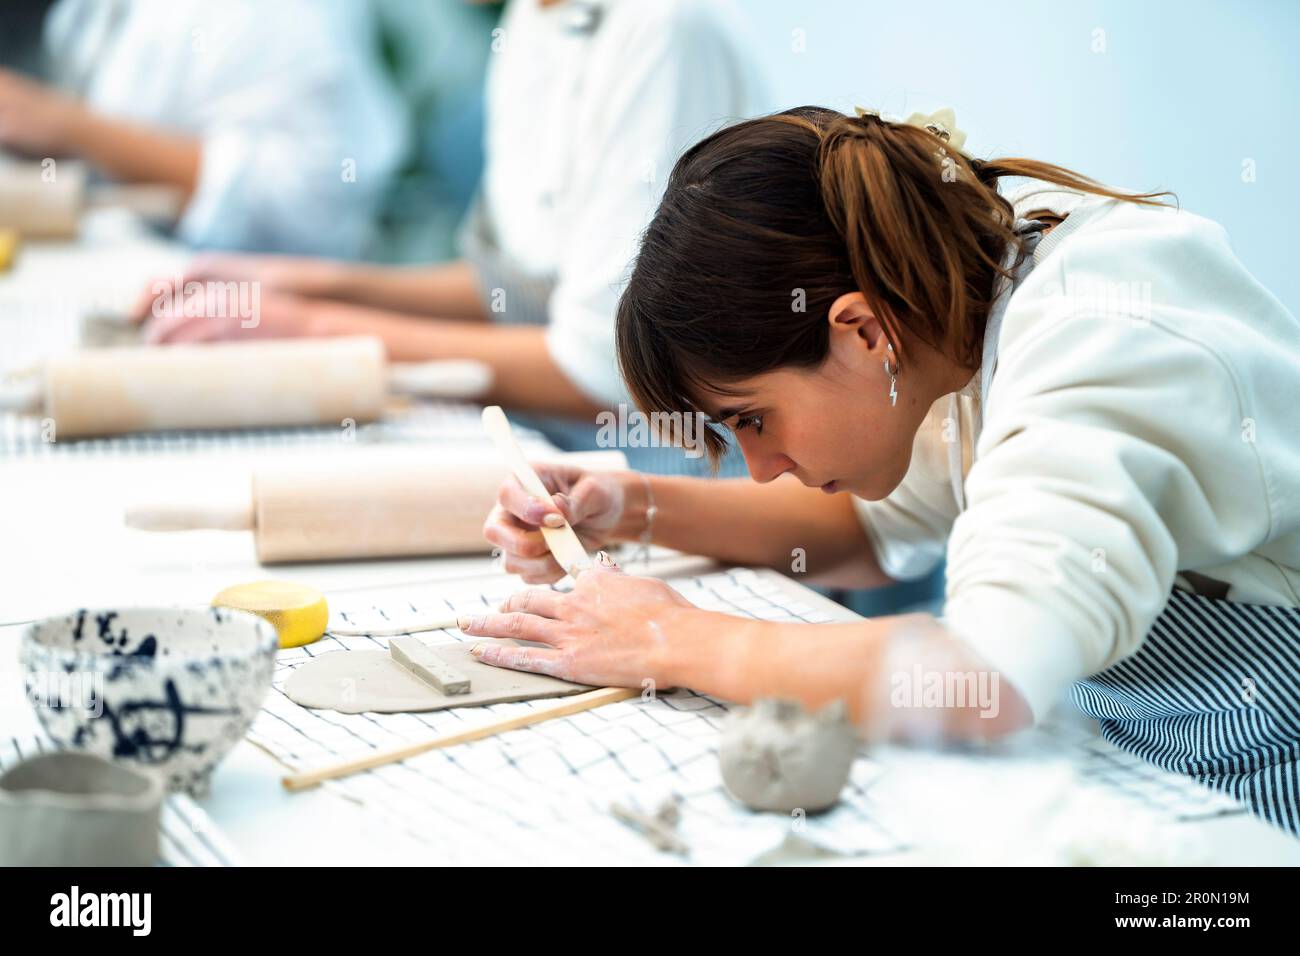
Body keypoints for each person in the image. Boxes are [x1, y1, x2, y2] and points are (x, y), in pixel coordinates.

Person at [476, 106, 1300, 833]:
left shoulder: (1102, 335)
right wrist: (629, 505)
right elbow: (870, 530)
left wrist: (670, 638)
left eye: (754, 421)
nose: (761, 471)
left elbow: (982, 681)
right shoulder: (957, 303)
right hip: (1143, 747)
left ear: (862, 332)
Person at [134, 0, 762, 423]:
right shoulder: (534, 16)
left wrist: (308, 328)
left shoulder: (665, 32)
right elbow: (519, 287)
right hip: (560, 448)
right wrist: (311, 285)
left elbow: (605, 369)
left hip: (683, 471)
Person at [0, 0, 406, 256]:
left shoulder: (285, 17)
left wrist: (66, 127)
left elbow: (302, 210)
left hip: (247, 295)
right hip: (133, 259)